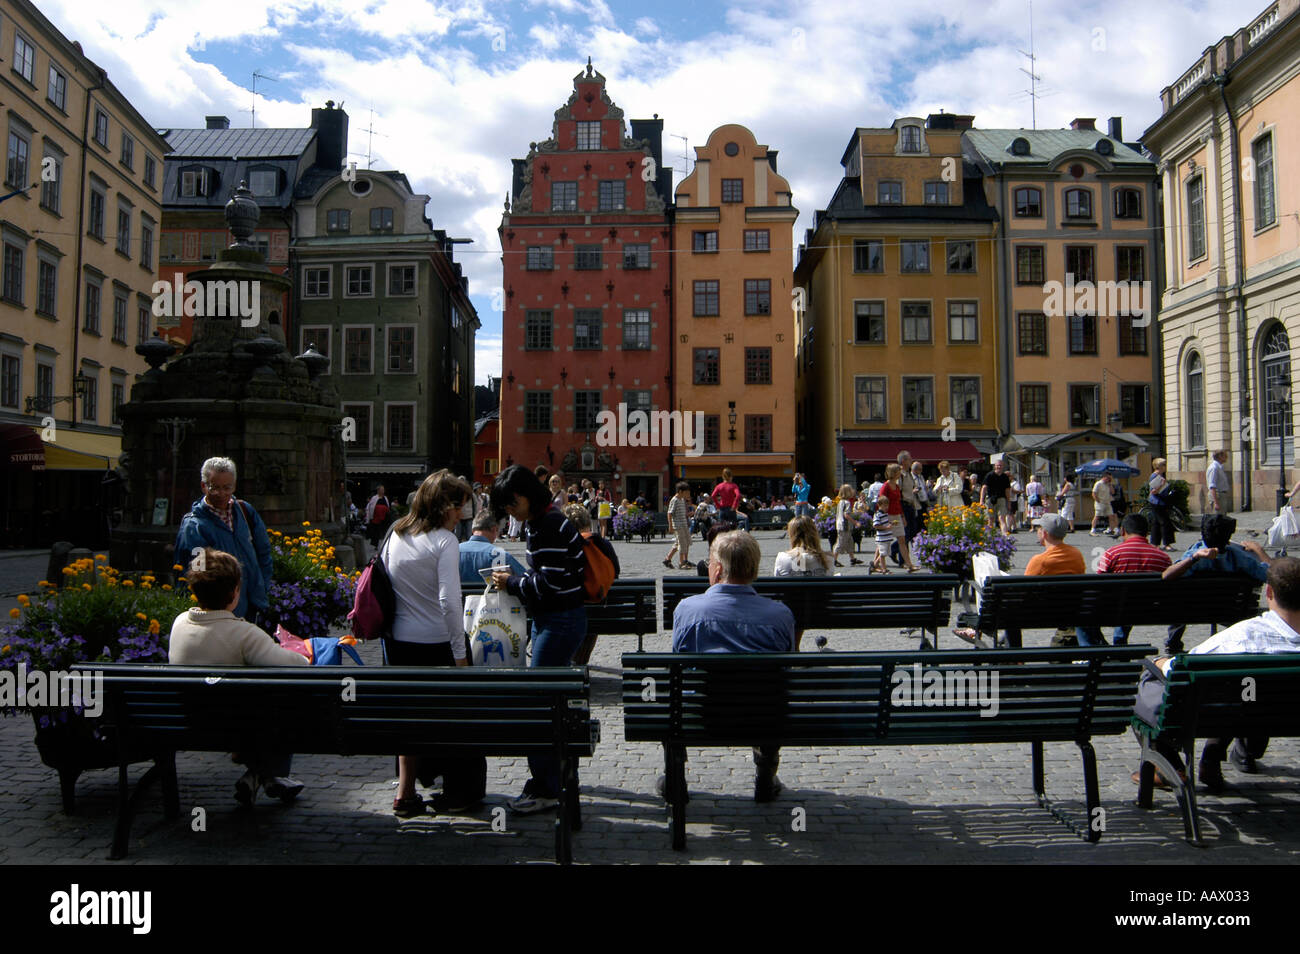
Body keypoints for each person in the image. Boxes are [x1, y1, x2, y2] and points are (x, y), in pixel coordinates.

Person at [1133, 556, 1300, 792]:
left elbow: (1182, 668)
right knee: (1248, 695)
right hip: (1280, 713)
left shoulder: (1241, 636)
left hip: (1225, 711)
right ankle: (1218, 752)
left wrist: (1160, 662)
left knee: (1153, 679)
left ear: (1269, 592)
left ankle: (1170, 766)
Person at [168, 547, 307, 805]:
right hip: (239, 727)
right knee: (284, 700)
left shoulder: (179, 624)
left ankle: (258, 777)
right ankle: (268, 774)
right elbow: (298, 665)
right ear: (234, 593)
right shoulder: (243, 634)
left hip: (191, 723)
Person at [385, 470, 484, 818]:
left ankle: (406, 791)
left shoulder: (395, 534)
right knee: (459, 719)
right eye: (459, 507)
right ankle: (459, 793)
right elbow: (449, 601)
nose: (462, 514)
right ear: (444, 506)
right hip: (437, 643)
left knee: (408, 717)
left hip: (399, 643)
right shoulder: (445, 541)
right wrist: (460, 653)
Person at [671, 531, 797, 802]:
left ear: (716, 569)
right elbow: (786, 671)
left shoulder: (686, 610)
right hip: (765, 717)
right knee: (771, 694)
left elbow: (679, 665)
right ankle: (765, 772)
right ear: (754, 569)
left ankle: (675, 778)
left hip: (701, 715)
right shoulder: (779, 614)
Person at [490, 464, 588, 814]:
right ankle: (560, 774)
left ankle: (547, 786)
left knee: (539, 703)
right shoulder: (545, 521)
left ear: (527, 495)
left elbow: (550, 584)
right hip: (560, 619)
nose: (508, 511)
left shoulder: (547, 525)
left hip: (559, 621)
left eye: (510, 503)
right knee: (553, 700)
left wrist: (512, 583)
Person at [174, 457, 273, 626]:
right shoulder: (195, 526)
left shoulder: (244, 511)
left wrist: (262, 586)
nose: (221, 493)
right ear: (204, 486)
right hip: (219, 612)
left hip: (253, 604)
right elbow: (195, 570)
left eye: (227, 487)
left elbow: (263, 552)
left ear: (234, 486)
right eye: (215, 487)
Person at [1161, 513, 1270, 655]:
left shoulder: (1196, 556)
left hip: (1191, 611)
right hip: (1230, 612)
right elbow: (1269, 575)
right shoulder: (1238, 557)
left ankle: (1173, 644)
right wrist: (1259, 551)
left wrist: (1194, 558)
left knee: (1180, 600)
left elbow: (1167, 575)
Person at [972, 513, 1084, 649]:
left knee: (1009, 610)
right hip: (1071, 610)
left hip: (1037, 614)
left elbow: (1024, 592)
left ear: (1045, 533)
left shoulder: (1041, 561)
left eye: (1039, 528)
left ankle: (1015, 657)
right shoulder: (1076, 555)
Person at [1076, 513, 1171, 646]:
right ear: (1147, 533)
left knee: (1082, 614)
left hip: (1116, 608)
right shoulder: (1163, 558)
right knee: (1128, 602)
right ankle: (1119, 643)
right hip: (1151, 609)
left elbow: (1099, 584)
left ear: (1123, 531)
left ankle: (1094, 651)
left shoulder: (1112, 553)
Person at [562, 503, 620, 666]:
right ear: (587, 521)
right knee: (593, 614)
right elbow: (615, 573)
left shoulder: (563, 544)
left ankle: (573, 661)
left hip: (570, 608)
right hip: (600, 607)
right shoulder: (602, 543)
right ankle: (581, 661)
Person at [458, 509, 526, 583]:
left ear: (473, 530)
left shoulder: (454, 550)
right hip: (489, 594)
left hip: (457, 593)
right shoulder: (498, 554)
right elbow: (524, 578)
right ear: (494, 529)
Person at [878, 463, 917, 572]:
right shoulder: (885, 486)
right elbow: (880, 500)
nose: (900, 473)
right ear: (893, 473)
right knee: (884, 542)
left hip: (897, 515)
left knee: (902, 539)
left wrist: (902, 516)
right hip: (888, 515)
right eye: (898, 472)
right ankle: (877, 564)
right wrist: (882, 516)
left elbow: (898, 503)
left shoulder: (897, 486)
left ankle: (909, 565)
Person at [1147, 458, 1177, 551]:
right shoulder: (1154, 476)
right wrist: (1162, 484)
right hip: (1157, 502)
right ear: (1158, 466)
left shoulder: (1159, 475)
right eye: (1163, 465)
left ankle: (1155, 543)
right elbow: (1153, 491)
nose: (1165, 467)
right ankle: (1167, 544)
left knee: (1156, 523)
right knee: (1165, 522)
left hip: (1159, 501)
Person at [664, 481, 693, 570]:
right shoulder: (675, 500)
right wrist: (670, 526)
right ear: (680, 491)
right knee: (682, 544)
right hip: (678, 525)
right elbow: (669, 513)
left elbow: (682, 513)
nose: (688, 494)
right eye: (686, 492)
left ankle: (667, 559)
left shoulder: (682, 500)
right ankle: (681, 563)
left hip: (684, 524)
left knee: (685, 542)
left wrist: (688, 514)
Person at [833, 484, 863, 568]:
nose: (853, 491)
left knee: (850, 542)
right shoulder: (847, 503)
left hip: (840, 525)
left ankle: (852, 559)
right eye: (851, 490)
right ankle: (834, 560)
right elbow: (846, 515)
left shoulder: (840, 502)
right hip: (844, 526)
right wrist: (855, 522)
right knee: (840, 543)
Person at [979, 460, 1012, 533]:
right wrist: (981, 500)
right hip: (990, 499)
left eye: (1000, 465)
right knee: (990, 519)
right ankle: (990, 537)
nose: (999, 467)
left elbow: (1007, 490)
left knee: (1002, 518)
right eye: (997, 465)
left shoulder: (1005, 477)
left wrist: (1008, 502)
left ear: (1003, 466)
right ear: (995, 466)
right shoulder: (989, 475)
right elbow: (984, 488)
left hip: (1001, 499)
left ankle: (1005, 536)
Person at [897, 451, 922, 541]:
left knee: (912, 533)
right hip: (904, 506)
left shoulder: (909, 474)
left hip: (910, 505)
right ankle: (897, 551)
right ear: (903, 461)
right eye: (909, 459)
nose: (911, 461)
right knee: (906, 534)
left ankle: (895, 550)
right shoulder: (899, 475)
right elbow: (897, 493)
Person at [1206, 450, 1229, 514]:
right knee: (1218, 518)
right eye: (1225, 455)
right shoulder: (1214, 468)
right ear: (1220, 456)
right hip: (1217, 495)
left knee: (1222, 517)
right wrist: (1216, 503)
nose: (1227, 457)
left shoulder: (1219, 467)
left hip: (1221, 495)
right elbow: (1212, 486)